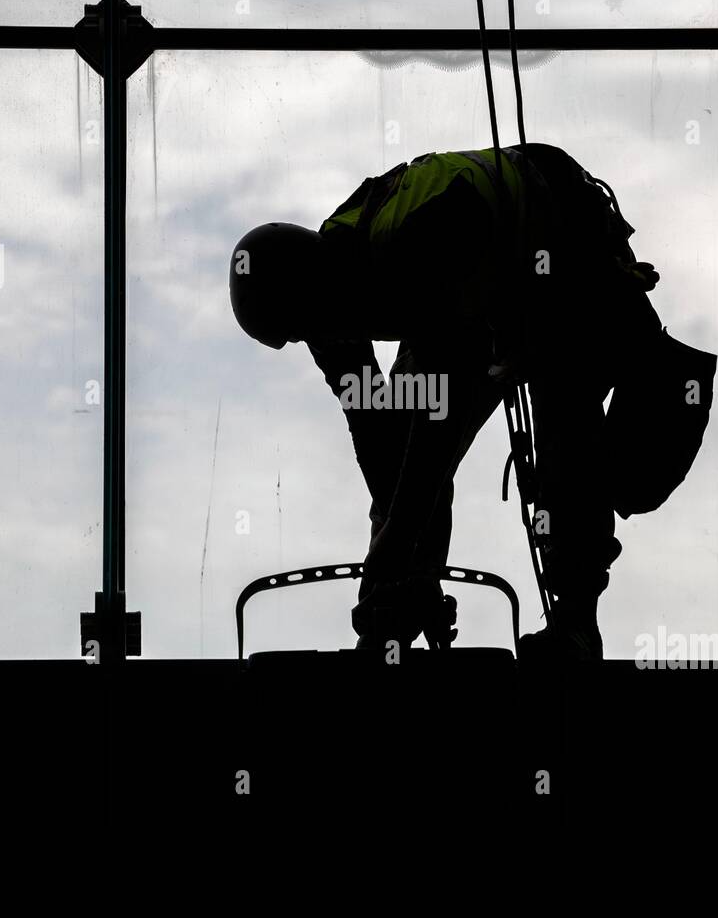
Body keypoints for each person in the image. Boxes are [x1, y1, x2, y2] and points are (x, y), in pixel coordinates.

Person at [228, 143, 671, 661]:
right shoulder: (323, 309)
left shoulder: (407, 238)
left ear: (317, 287)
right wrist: (402, 573)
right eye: (301, 334)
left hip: (556, 237)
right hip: (459, 291)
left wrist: (399, 538)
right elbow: (380, 441)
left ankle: (576, 622)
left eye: (308, 324)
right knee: (406, 465)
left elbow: (447, 404)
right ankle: (390, 622)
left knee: (565, 431)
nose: (314, 338)